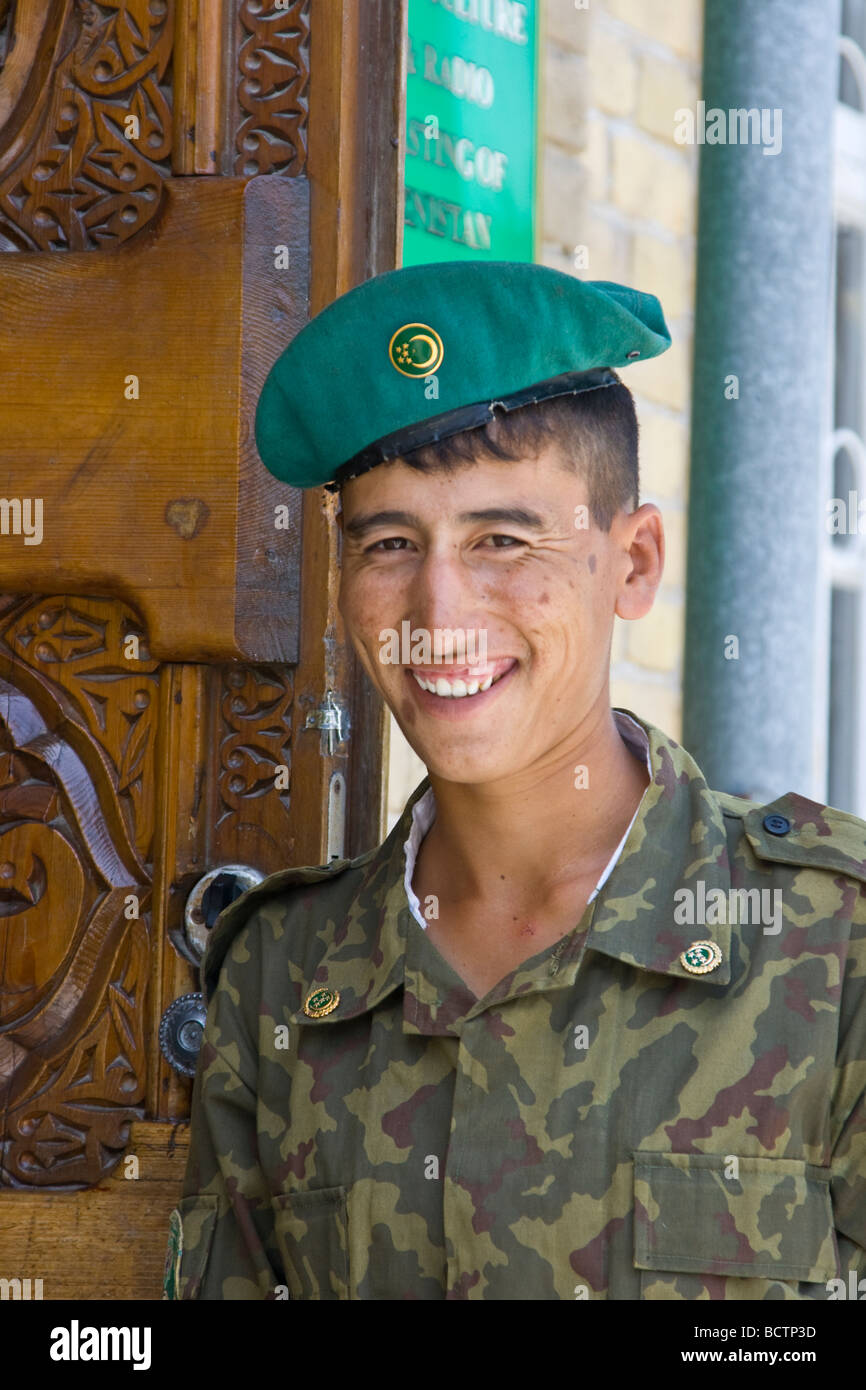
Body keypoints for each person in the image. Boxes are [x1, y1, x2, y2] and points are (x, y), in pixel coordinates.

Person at [163, 260, 866, 1300]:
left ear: (630, 563)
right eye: (391, 543)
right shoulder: (282, 973)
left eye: (502, 539)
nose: (438, 613)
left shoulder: (829, 943)